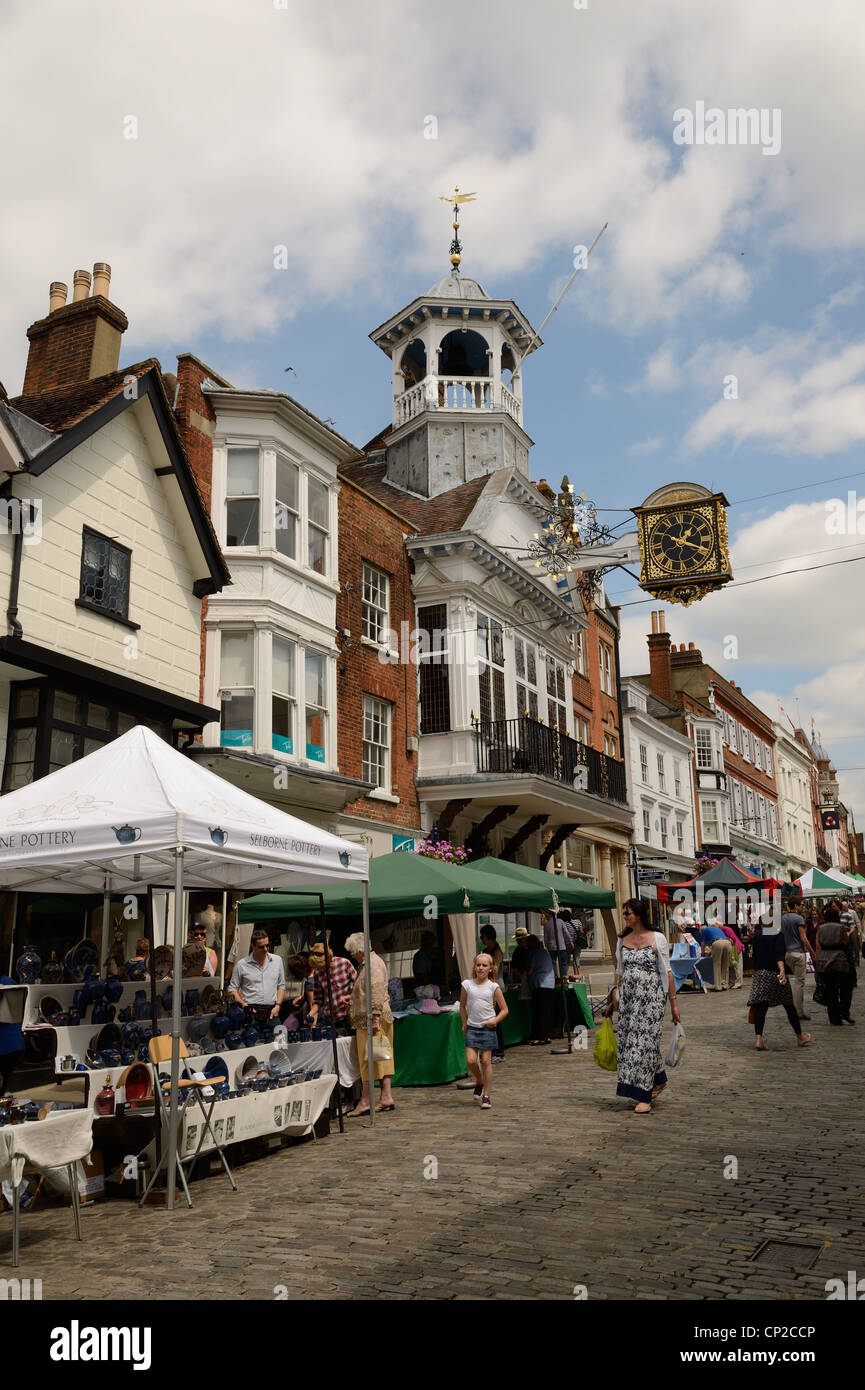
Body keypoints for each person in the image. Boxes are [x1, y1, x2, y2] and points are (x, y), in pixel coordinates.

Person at [612, 899, 679, 1114]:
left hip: (652, 1000)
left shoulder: (657, 938)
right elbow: (619, 971)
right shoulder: (622, 940)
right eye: (624, 913)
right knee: (631, 1043)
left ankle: (644, 1096)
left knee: (646, 1043)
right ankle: (659, 1080)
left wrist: (674, 1004)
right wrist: (614, 994)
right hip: (629, 1001)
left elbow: (667, 971)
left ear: (638, 915)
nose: (625, 916)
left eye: (627, 913)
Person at [344, 932, 395, 1116]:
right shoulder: (368, 964)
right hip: (374, 1017)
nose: (352, 955)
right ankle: (386, 1097)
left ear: (359, 950)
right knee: (381, 1056)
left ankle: (366, 1101)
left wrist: (374, 1019)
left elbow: (376, 992)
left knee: (369, 1060)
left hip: (372, 1019)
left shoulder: (372, 965)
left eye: (352, 952)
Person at [748, 917, 812, 1050]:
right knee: (789, 1006)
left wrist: (755, 971)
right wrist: (782, 970)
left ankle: (758, 1038)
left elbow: (755, 956)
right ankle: (800, 1037)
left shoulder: (758, 936)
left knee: (761, 1006)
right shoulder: (777, 935)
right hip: (774, 974)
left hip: (761, 974)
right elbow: (779, 955)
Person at [460, 953, 508, 1110]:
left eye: (484, 965)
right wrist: (464, 1023)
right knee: (471, 1060)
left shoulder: (493, 987)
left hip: (487, 1027)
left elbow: (504, 1010)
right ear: (474, 966)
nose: (481, 968)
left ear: (490, 968)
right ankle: (479, 1080)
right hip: (472, 1027)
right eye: (478, 965)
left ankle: (486, 1095)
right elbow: (462, 1005)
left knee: (486, 1061)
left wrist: (494, 1021)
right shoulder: (467, 985)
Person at [228, 927, 286, 1028]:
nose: (266, 949)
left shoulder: (277, 960)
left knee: (277, 1042)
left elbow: (281, 985)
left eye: (267, 945)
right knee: (252, 1042)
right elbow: (232, 989)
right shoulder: (242, 964)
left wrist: (278, 1005)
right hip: (251, 1010)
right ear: (253, 946)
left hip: (272, 1011)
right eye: (261, 947)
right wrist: (244, 1005)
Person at [815, 906, 854, 1026]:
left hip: (824, 959)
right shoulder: (841, 927)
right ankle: (843, 1010)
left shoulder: (820, 928)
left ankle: (834, 1018)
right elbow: (846, 941)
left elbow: (817, 945)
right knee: (845, 987)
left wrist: (818, 961)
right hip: (839, 959)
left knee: (830, 990)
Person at [308, 943, 356, 1029]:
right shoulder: (317, 972)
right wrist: (311, 1012)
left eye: (321, 966)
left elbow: (359, 986)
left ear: (329, 958)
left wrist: (350, 996)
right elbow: (318, 999)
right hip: (331, 1019)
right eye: (317, 967)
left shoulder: (344, 963)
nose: (320, 969)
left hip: (349, 1015)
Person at [781, 896, 812, 1022]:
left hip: (787, 953)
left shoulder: (783, 918)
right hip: (798, 953)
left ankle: (793, 1008)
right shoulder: (799, 918)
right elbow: (803, 938)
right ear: (796, 906)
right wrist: (812, 952)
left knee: (794, 982)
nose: (803, 907)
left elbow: (781, 934)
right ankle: (798, 1012)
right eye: (801, 905)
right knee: (799, 983)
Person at [525, 933, 556, 1044]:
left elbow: (530, 971)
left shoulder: (533, 953)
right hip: (550, 983)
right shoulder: (544, 952)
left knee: (539, 1012)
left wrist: (523, 971)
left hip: (540, 984)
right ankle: (547, 1035)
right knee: (547, 1011)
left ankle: (540, 1037)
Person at [700, 919, 732, 991]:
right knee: (725, 964)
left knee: (717, 964)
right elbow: (718, 943)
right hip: (727, 942)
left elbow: (703, 943)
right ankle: (724, 985)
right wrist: (711, 952)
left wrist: (702, 953)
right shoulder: (716, 929)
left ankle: (718, 986)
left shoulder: (704, 930)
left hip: (717, 943)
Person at [543, 908, 574, 982]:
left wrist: (546, 945)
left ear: (548, 915)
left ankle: (555, 977)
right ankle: (564, 977)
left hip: (551, 946)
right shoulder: (560, 921)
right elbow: (566, 932)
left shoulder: (546, 924)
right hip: (561, 945)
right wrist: (570, 941)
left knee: (553, 962)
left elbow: (546, 937)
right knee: (563, 962)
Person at [719, 919, 744, 990]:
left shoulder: (726, 929)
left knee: (736, 966)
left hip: (735, 948)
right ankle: (731, 982)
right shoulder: (722, 929)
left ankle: (738, 983)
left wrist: (724, 939)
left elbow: (733, 939)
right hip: (731, 948)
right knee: (731, 967)